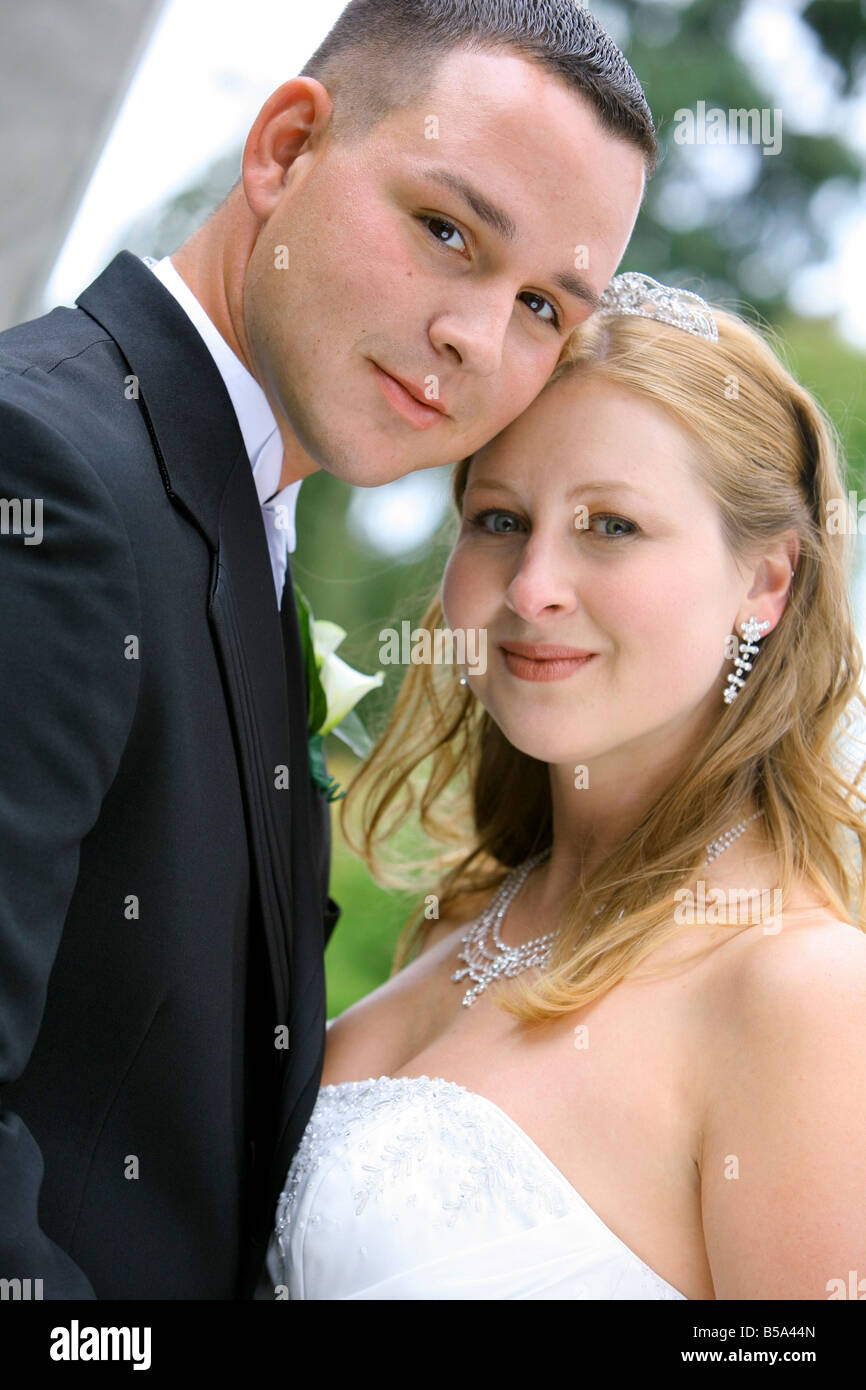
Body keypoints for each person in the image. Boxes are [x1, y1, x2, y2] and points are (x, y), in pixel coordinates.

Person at [0, 1, 651, 1299]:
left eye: (538, 304)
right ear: (285, 147)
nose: (476, 336)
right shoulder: (53, 478)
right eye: (445, 230)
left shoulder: (227, 519)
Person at [268, 274, 866, 1300]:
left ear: (764, 581)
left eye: (611, 526)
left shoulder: (799, 993)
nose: (533, 583)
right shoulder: (465, 920)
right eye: (498, 519)